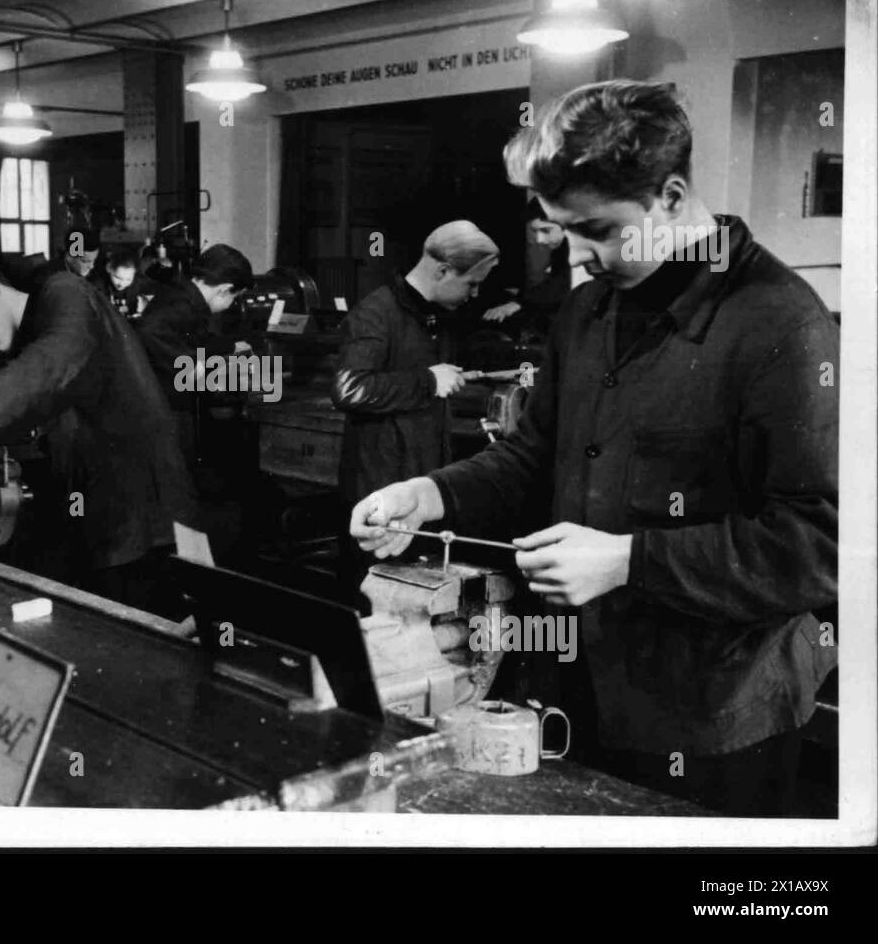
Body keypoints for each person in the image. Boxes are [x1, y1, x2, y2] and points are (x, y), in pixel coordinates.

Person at [350, 80, 838, 817]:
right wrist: (430, 495)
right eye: (560, 230)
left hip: (709, 721)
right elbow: (533, 453)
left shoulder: (781, 327)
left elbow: (823, 545)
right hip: (570, 690)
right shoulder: (587, 311)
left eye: (601, 230)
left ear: (671, 196)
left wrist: (628, 561)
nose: (578, 257)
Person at [0, 260, 193, 619]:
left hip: (144, 518)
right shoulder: (35, 337)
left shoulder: (66, 293)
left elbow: (53, 364)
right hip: (105, 515)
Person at [331, 221, 498, 604]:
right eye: (471, 284)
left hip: (416, 482)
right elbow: (349, 387)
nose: (474, 295)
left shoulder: (431, 315)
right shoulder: (377, 312)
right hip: (381, 485)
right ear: (442, 271)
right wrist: (427, 381)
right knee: (375, 604)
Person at [135, 243, 255, 470]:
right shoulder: (181, 305)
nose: (231, 305)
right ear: (224, 289)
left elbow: (190, 339)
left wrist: (227, 346)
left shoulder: (183, 295)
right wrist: (199, 368)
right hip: (163, 414)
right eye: (235, 297)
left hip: (164, 410)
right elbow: (150, 333)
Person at [481, 198, 571, 336]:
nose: (540, 239)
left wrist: (520, 302)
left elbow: (564, 285)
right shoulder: (560, 247)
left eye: (546, 230)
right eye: (536, 232)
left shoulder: (576, 249)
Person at [88, 244, 142, 318]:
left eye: (128, 279)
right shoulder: (97, 286)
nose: (122, 284)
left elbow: (132, 309)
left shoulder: (135, 285)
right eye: (117, 278)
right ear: (108, 268)